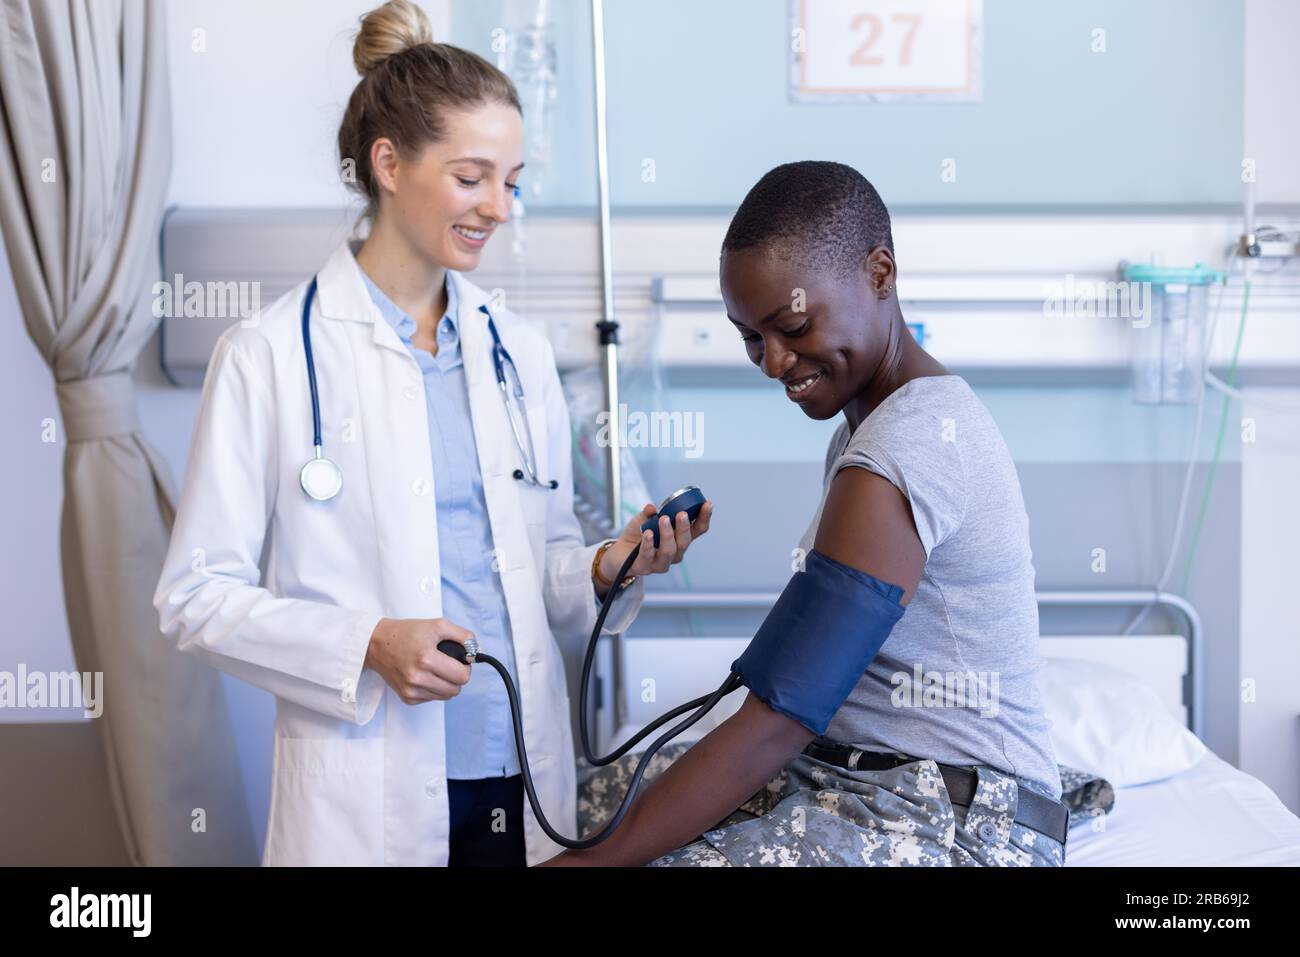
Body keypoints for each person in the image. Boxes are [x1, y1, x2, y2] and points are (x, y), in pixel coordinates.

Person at [153, 0, 710, 867]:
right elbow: (195, 598)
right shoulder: (266, 356)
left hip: (517, 777)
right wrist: (367, 642)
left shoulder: (516, 354)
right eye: (471, 176)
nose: (499, 206)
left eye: (512, 180)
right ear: (388, 163)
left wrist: (607, 565)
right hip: (364, 792)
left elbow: (545, 575)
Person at [542, 161, 1066, 867]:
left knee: (611, 852)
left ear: (880, 272)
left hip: (962, 821)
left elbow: (781, 714)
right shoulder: (864, 429)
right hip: (850, 772)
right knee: (584, 803)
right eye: (751, 336)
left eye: (791, 324)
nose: (771, 360)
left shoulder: (909, 445)